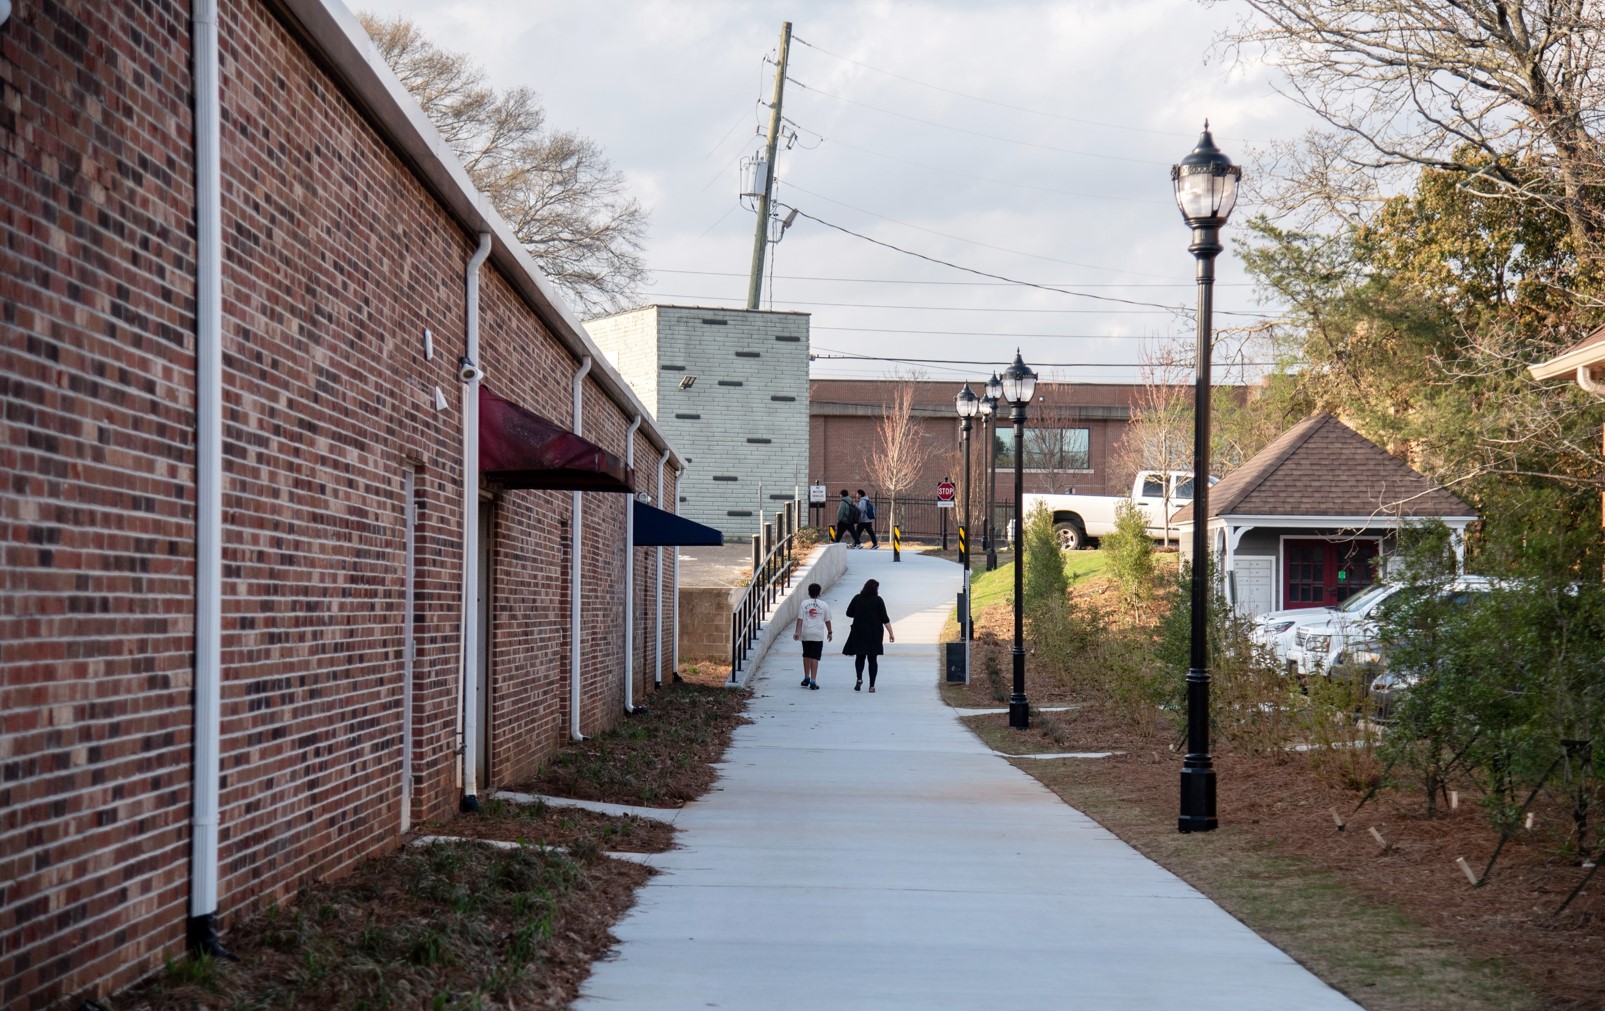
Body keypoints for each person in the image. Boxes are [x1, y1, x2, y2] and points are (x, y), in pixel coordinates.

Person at [842, 578, 894, 692]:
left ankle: (859, 678)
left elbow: (848, 613)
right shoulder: (878, 600)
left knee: (860, 657)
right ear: (875, 589)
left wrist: (859, 613)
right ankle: (872, 686)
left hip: (859, 632)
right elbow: (885, 618)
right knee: (872, 659)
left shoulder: (857, 598)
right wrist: (891, 633)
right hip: (874, 633)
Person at [792, 583, 832, 690]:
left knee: (806, 655)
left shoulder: (804, 604)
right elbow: (827, 620)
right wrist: (830, 632)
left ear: (809, 592)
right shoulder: (824, 605)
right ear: (819, 592)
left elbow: (800, 618)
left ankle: (806, 677)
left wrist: (797, 632)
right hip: (817, 635)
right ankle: (813, 681)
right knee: (815, 657)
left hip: (806, 633)